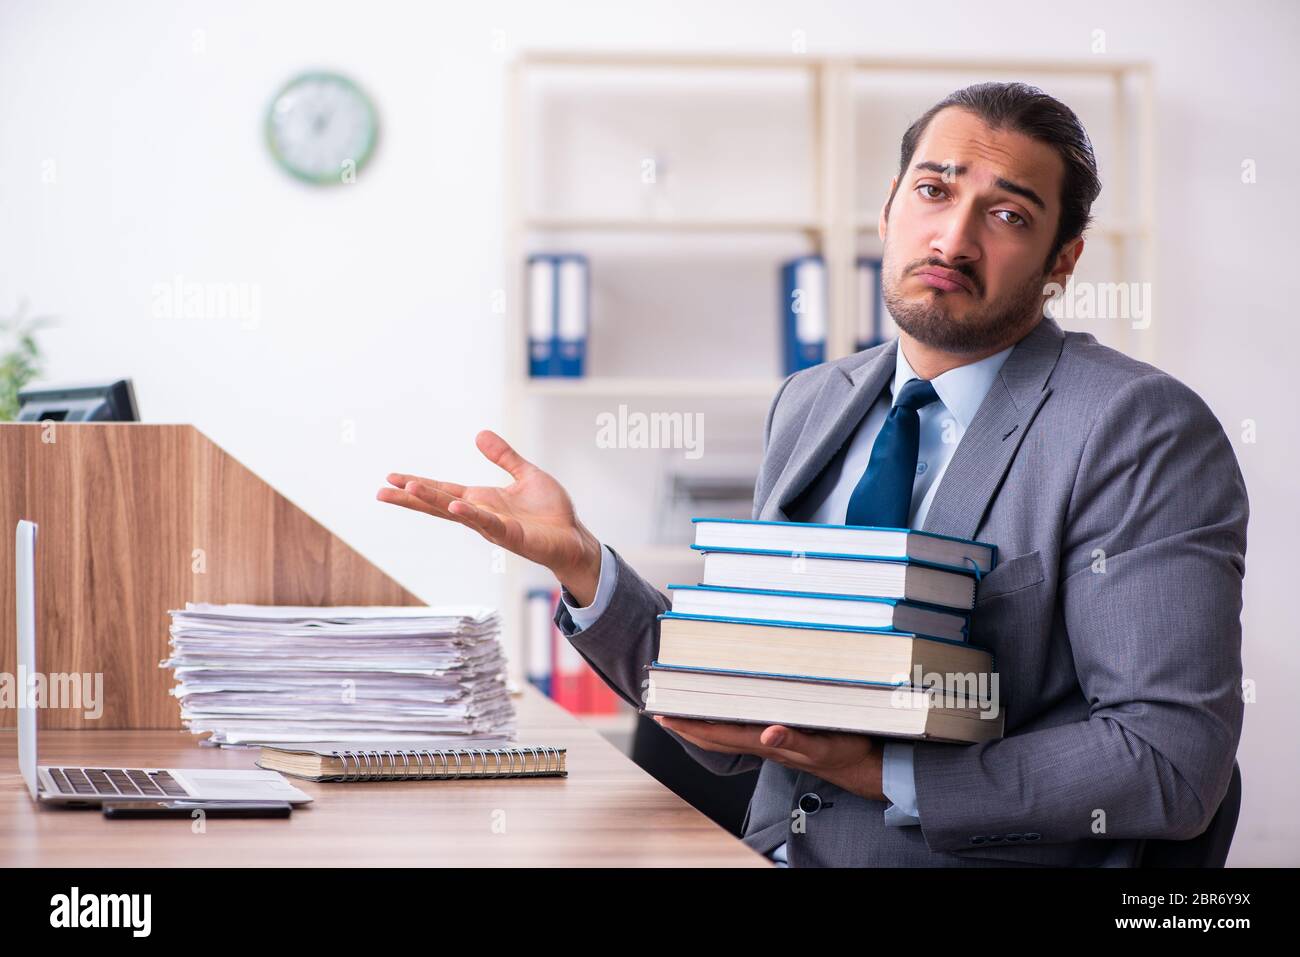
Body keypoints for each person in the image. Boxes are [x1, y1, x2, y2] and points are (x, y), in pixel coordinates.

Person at [378, 81, 1248, 867]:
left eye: (1009, 215)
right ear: (887, 210)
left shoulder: (1137, 429)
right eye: (934, 191)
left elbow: (1169, 758)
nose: (952, 235)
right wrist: (581, 565)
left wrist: (880, 771)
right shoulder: (812, 400)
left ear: (1064, 260)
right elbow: (735, 729)